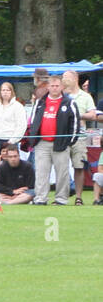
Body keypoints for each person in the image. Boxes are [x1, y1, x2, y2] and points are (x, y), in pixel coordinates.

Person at [25, 75, 78, 205]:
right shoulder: (40, 102)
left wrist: (69, 142)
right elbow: (33, 121)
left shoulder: (69, 102)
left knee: (62, 173)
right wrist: (33, 138)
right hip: (42, 142)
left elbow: (74, 124)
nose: (54, 88)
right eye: (52, 86)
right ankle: (40, 199)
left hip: (60, 143)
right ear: (48, 87)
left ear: (62, 87)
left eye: (57, 86)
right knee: (41, 172)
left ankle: (61, 199)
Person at [62, 70, 99, 205]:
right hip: (63, 136)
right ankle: (62, 196)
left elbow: (93, 115)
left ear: (75, 78)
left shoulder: (86, 96)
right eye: (63, 77)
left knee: (79, 166)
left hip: (80, 136)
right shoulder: (61, 96)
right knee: (62, 166)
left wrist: (77, 114)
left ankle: (79, 197)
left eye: (66, 77)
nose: (64, 80)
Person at [0, 142, 35, 206]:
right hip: (5, 192)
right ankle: (16, 201)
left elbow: (31, 185)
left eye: (15, 156)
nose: (13, 159)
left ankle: (8, 202)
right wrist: (12, 191)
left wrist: (17, 194)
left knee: (33, 192)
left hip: (22, 194)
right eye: (10, 157)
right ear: (7, 157)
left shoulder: (27, 166)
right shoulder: (1, 167)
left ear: (19, 156)